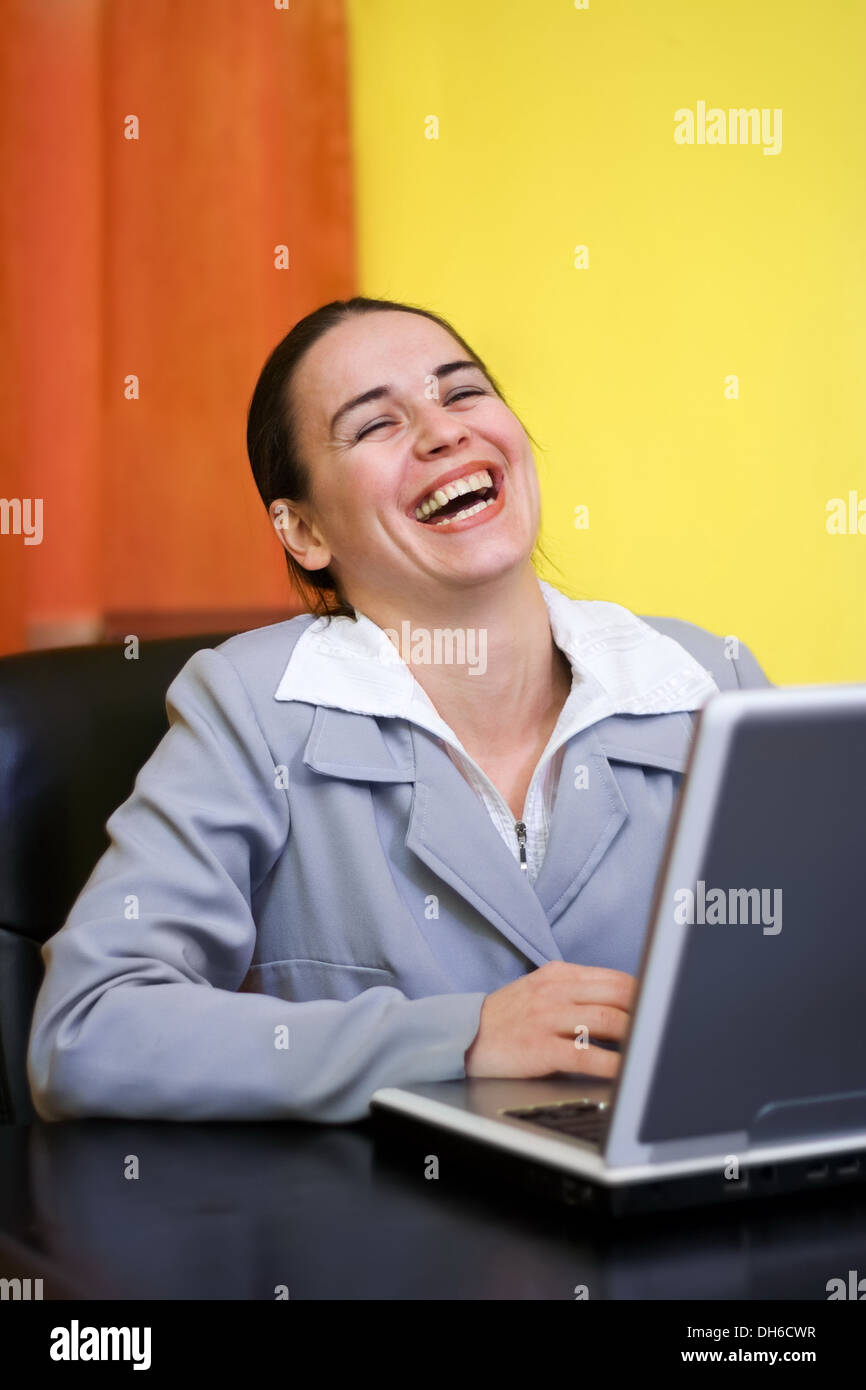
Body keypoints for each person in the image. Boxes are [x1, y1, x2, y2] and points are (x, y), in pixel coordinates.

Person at [27, 296, 771, 1123]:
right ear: (304, 530)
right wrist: (458, 1039)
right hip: (384, 1239)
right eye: (375, 424)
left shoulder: (709, 681)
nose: (445, 431)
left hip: (687, 1221)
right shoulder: (250, 711)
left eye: (462, 393)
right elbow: (86, 1032)